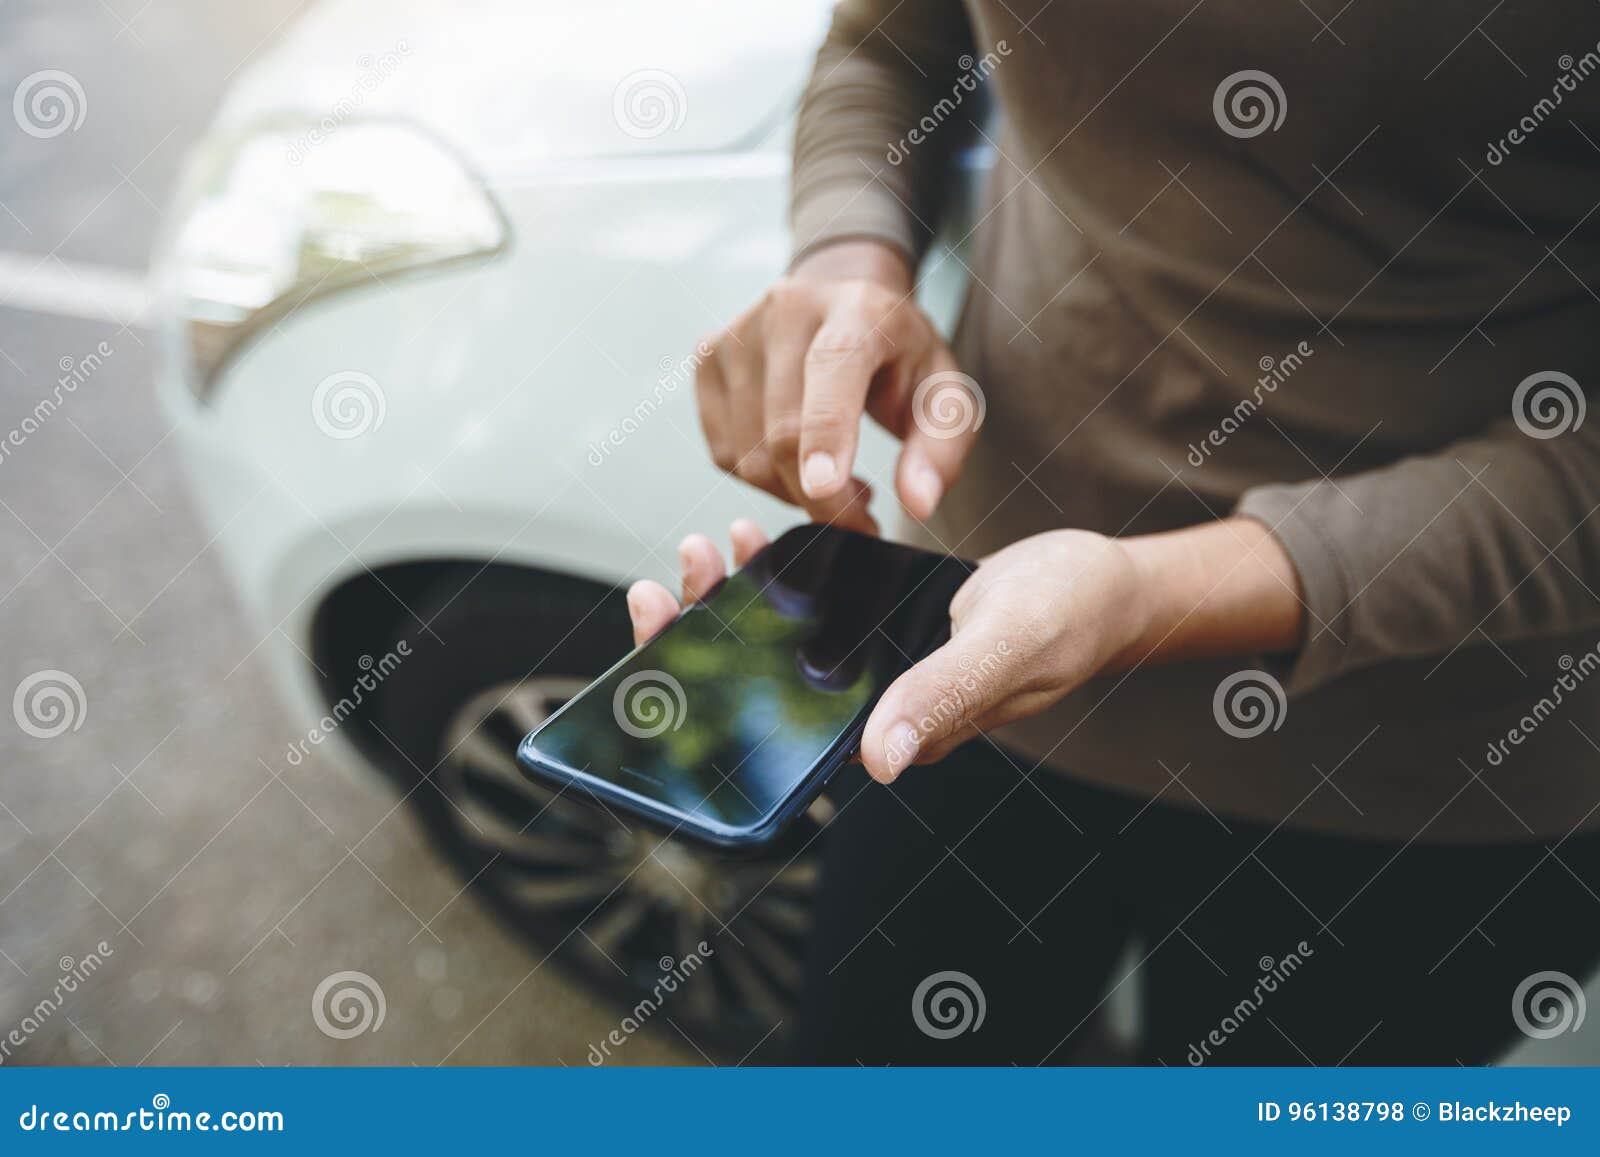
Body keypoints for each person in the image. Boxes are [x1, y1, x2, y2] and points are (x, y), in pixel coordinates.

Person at [626, 2, 1600, 1064]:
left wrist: (1150, 593)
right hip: (964, 648)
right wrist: (844, 264)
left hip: (1423, 777)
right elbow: (890, 44)